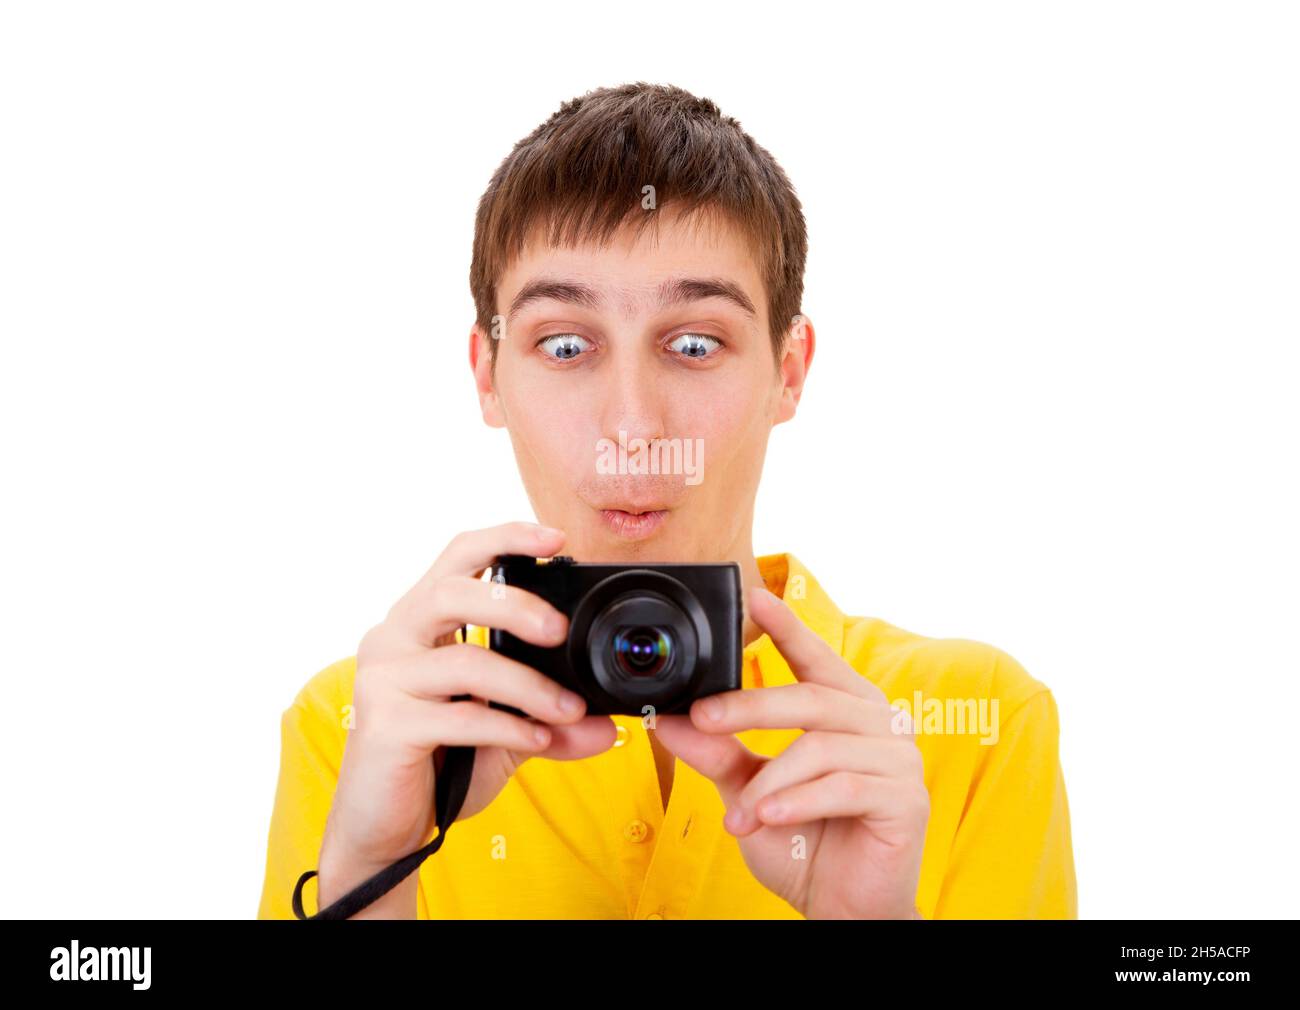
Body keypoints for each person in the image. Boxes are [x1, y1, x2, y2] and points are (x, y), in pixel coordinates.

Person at [257, 82, 1077, 920]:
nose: (633, 426)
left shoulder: (979, 722)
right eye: (565, 344)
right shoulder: (365, 725)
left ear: (787, 373)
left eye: (694, 343)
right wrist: (373, 867)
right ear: (487, 375)